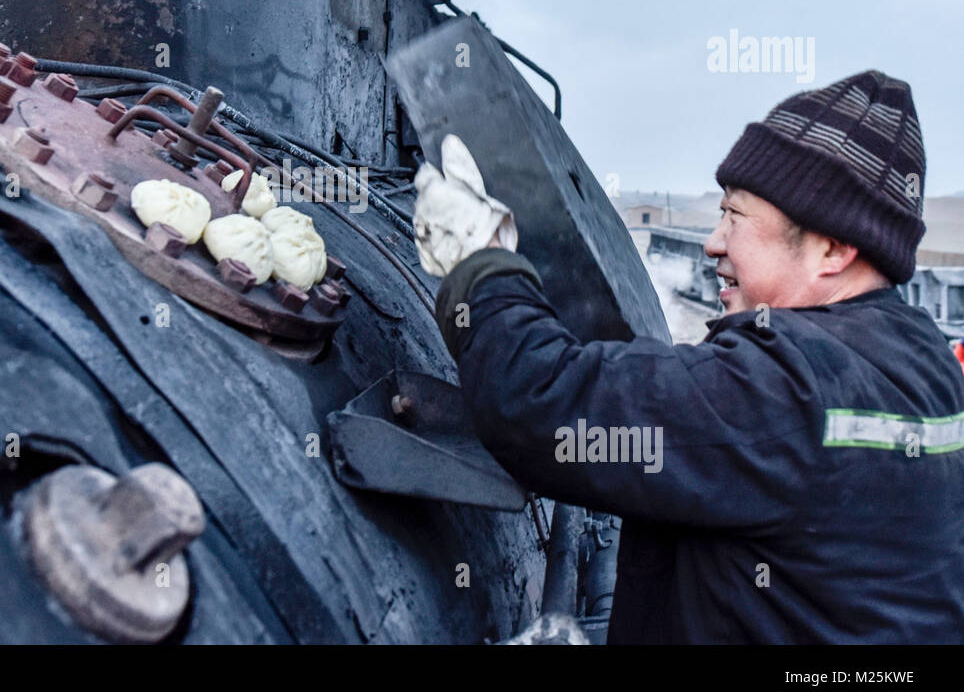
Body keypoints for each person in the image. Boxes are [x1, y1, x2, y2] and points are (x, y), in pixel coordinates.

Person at [413, 70, 964, 643]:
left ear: (832, 248)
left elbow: (538, 401)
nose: (713, 243)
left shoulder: (788, 383)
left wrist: (480, 263)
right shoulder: (927, 360)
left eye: (737, 217)